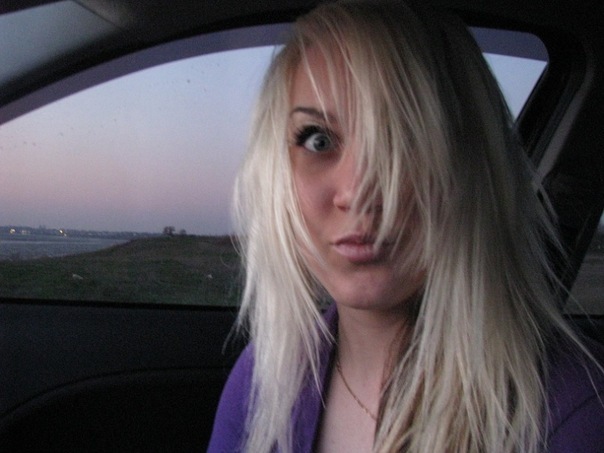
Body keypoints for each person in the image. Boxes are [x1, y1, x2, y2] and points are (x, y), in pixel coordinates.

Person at [208, 1, 604, 452]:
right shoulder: (266, 377)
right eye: (318, 139)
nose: (356, 191)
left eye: (403, 136)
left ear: (472, 165)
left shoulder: (577, 414)